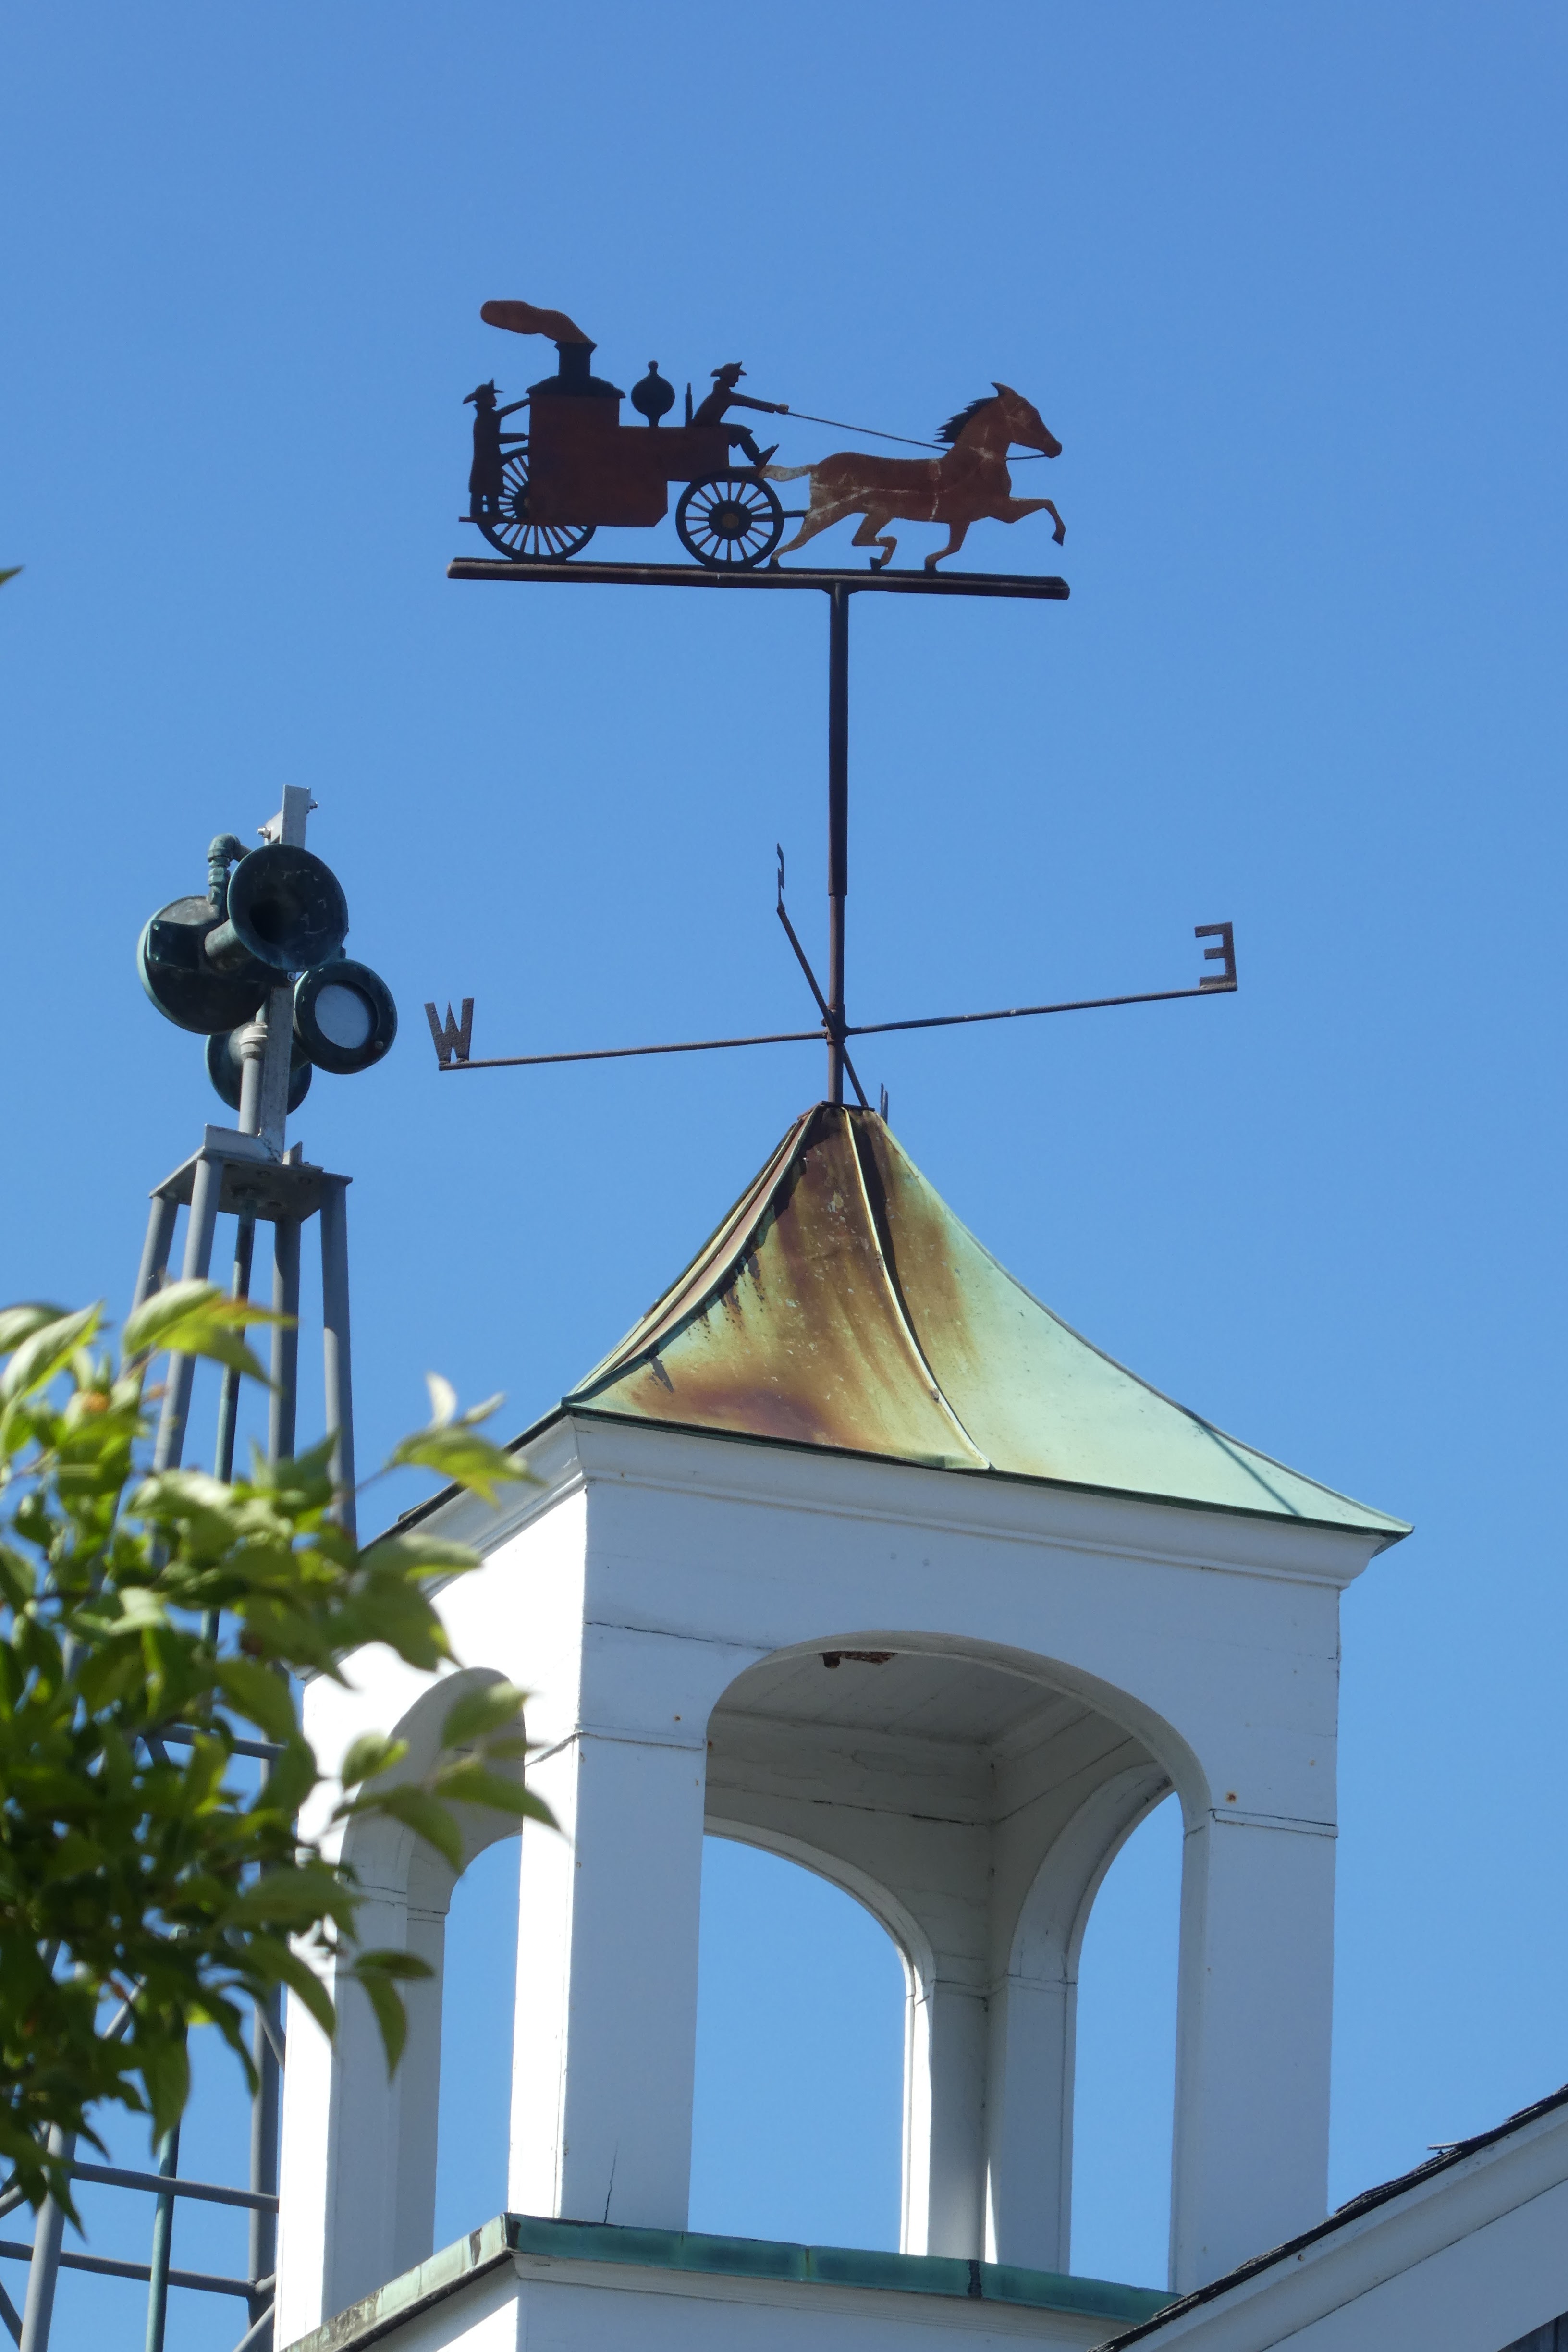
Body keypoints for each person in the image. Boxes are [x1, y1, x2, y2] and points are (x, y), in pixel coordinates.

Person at [690, 363, 788, 467]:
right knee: (741, 431)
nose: (737, 380)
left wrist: (774, 407)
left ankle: (757, 457)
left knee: (740, 430)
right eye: (736, 377)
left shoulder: (722, 393)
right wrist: (775, 407)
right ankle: (757, 458)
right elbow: (749, 402)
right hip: (705, 430)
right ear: (729, 377)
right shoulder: (724, 395)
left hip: (709, 427)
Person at [465, 380, 528, 516]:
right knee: (486, 485)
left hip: (488, 458)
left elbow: (504, 412)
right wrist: (520, 437)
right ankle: (483, 512)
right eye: (492, 398)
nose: (495, 401)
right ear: (485, 400)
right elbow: (495, 438)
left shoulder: (488, 417)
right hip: (487, 458)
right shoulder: (485, 420)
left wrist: (526, 403)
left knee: (486, 485)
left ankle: (490, 511)